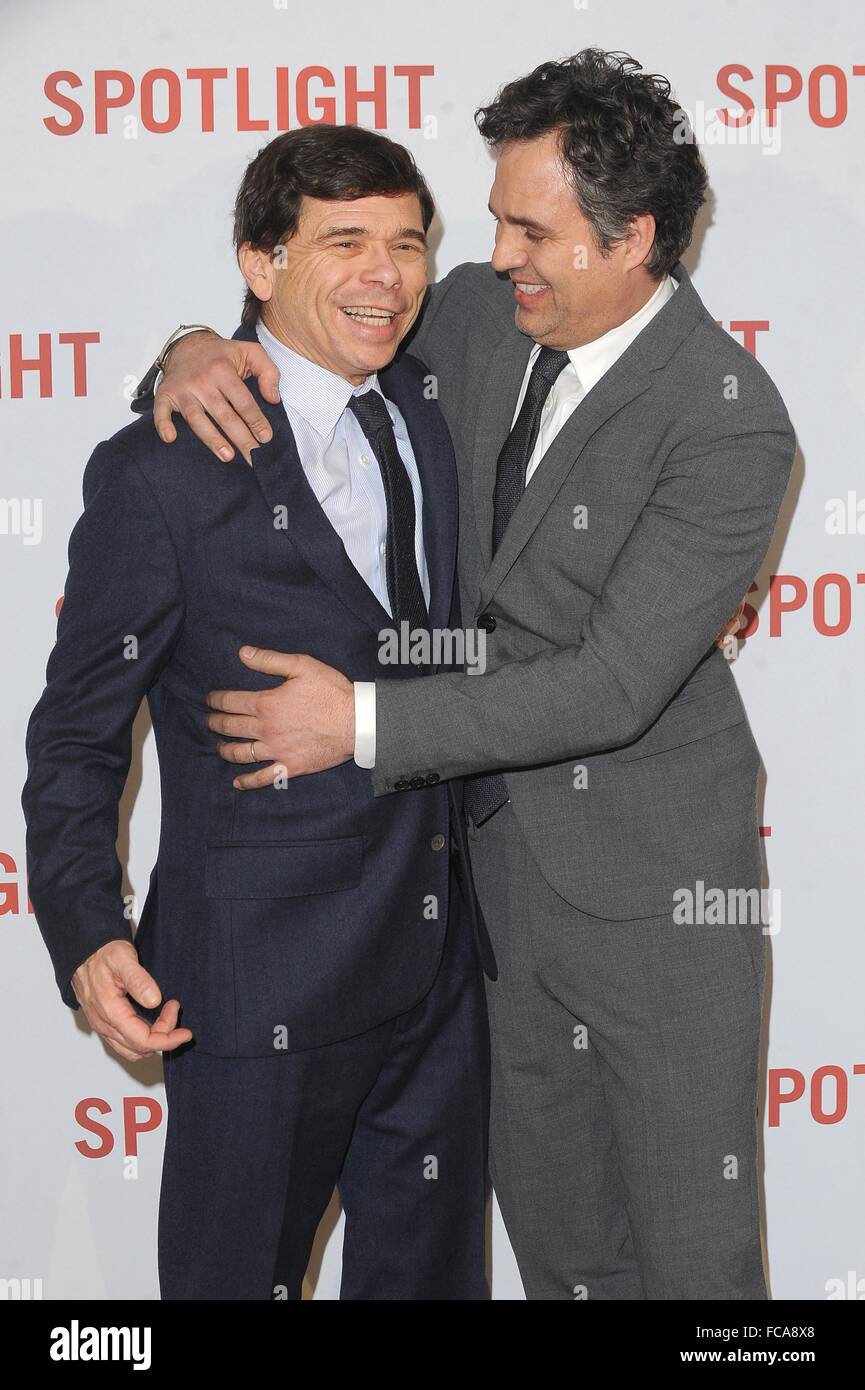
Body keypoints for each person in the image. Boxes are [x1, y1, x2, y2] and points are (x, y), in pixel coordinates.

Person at [134, 50, 795, 1299]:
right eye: (493, 221)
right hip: (481, 900)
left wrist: (361, 722)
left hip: (653, 902)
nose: (493, 254)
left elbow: (607, 687)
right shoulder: (496, 311)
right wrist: (185, 349)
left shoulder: (728, 421)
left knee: (695, 1266)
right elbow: (313, 315)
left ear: (632, 237)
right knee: (563, 1255)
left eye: (527, 228)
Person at [22, 124, 491, 1301]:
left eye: (406, 242)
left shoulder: (436, 407)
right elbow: (76, 734)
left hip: (437, 973)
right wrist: (88, 932)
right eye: (344, 242)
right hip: (254, 982)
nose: (386, 274)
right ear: (259, 261)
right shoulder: (163, 469)